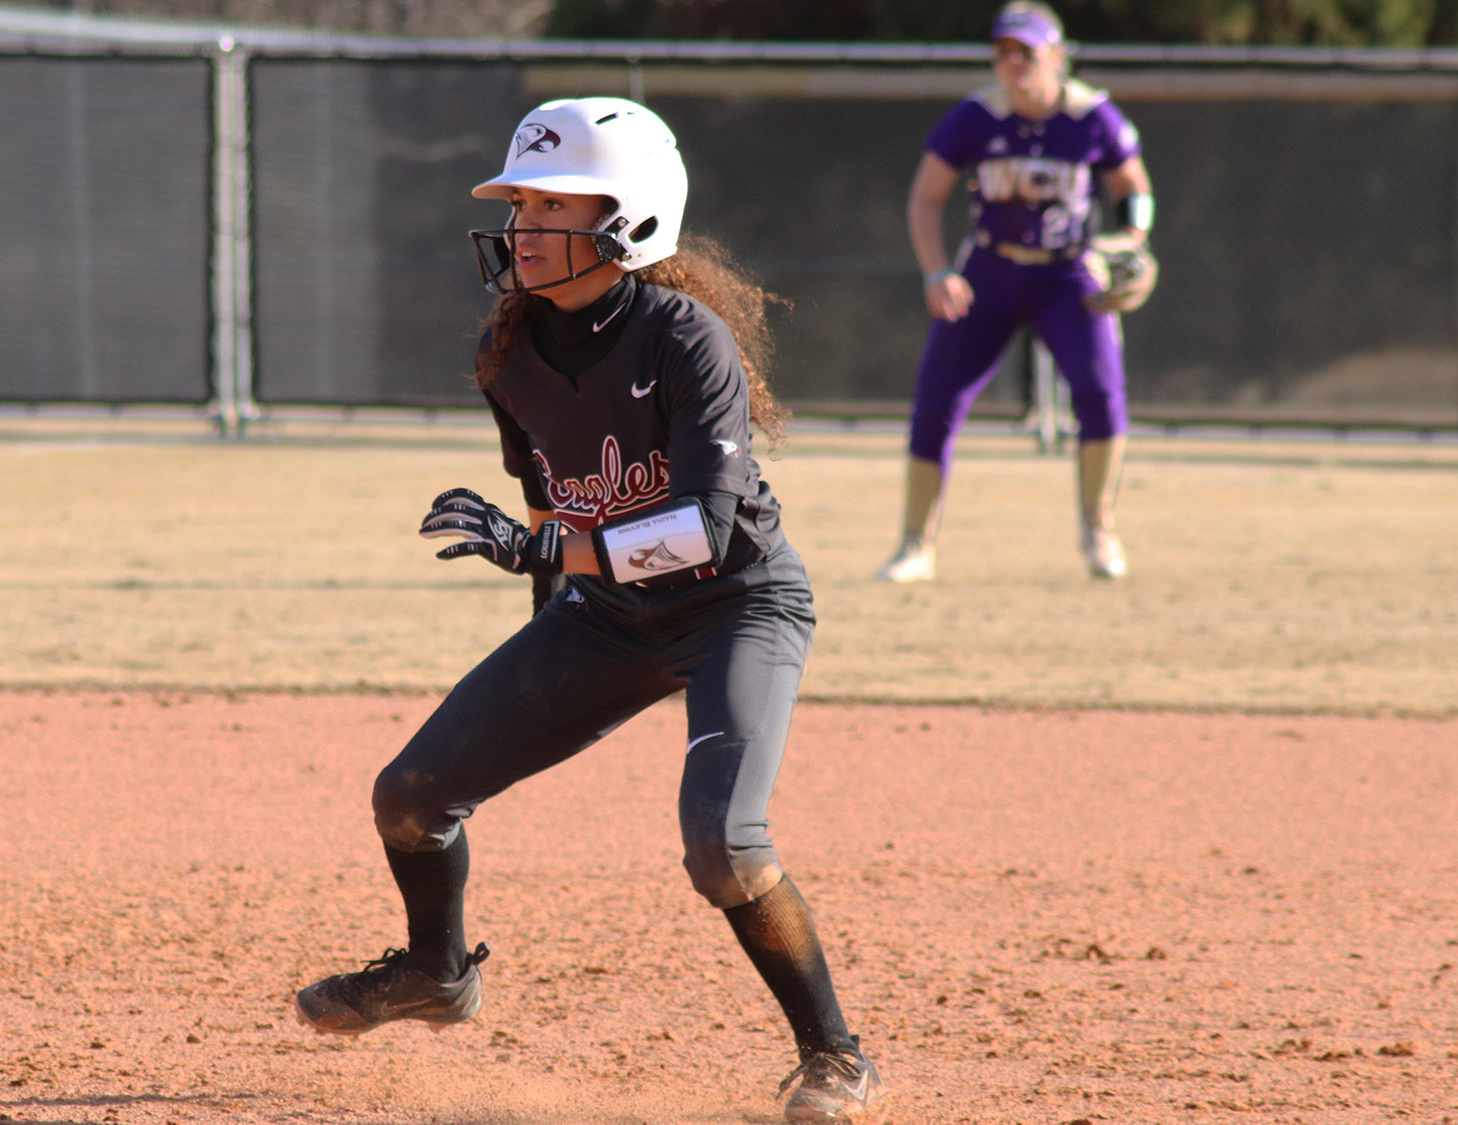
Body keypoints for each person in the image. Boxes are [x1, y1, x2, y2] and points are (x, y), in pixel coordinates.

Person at [291, 96, 887, 1123]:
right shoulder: (511, 342)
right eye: (516, 205)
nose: (520, 227)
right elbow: (542, 499)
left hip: (733, 604)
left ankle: (834, 1057)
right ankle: (436, 973)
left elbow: (702, 527)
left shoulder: (682, 338)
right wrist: (542, 618)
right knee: (409, 795)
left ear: (628, 218)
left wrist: (552, 549)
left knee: (724, 846)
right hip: (604, 616)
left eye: (546, 206)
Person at [876, 0, 1157, 583]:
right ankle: (915, 544)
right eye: (1004, 51)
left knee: (1102, 393)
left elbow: (1133, 184)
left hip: (1069, 273)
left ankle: (1098, 527)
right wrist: (935, 272)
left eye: (1026, 51)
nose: (1013, 62)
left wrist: (1132, 239)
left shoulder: (1090, 115)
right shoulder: (977, 116)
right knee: (935, 400)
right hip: (990, 271)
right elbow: (926, 198)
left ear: (1056, 55)